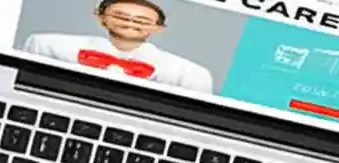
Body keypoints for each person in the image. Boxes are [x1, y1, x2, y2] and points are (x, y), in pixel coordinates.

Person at [23, 0, 215, 94]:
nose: (130, 23)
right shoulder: (48, 45)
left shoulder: (189, 75)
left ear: (158, 28)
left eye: (142, 20)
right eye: (121, 17)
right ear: (100, 17)